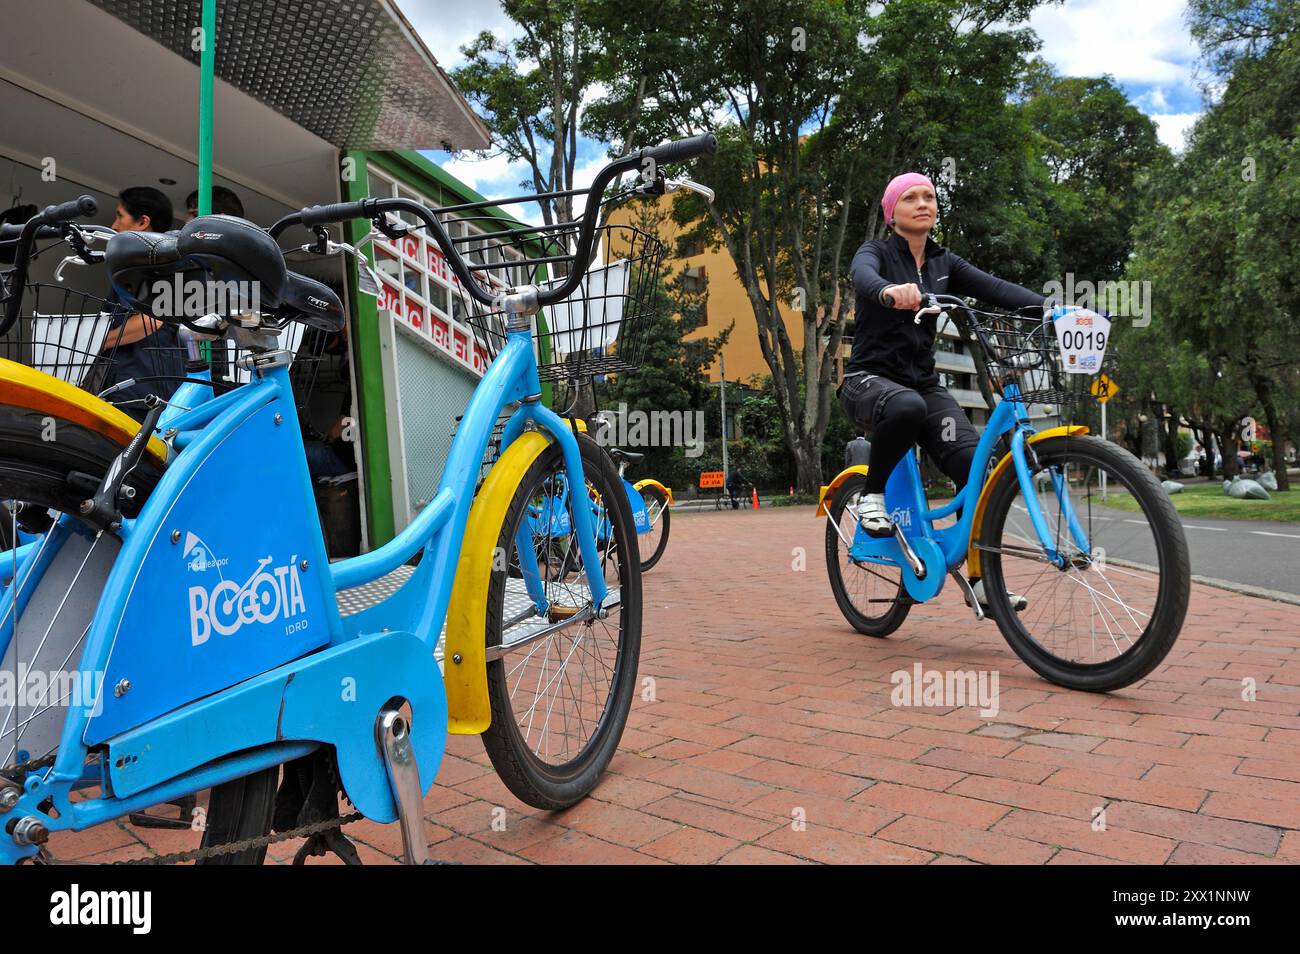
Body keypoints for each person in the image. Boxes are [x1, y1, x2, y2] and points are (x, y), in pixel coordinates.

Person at [841, 172, 1048, 613]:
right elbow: (862, 276)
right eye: (910, 197)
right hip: (868, 379)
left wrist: (1058, 310)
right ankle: (871, 497)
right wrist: (887, 291)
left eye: (929, 197)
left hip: (923, 383)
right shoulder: (875, 251)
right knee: (906, 406)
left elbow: (998, 290)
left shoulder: (944, 263)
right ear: (891, 212)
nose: (922, 203)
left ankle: (982, 583)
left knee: (978, 469)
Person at [97, 187, 184, 419]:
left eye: (120, 216)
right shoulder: (134, 267)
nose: (114, 225)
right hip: (132, 386)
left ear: (143, 222)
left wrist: (97, 341)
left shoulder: (162, 265)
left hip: (142, 391)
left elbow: (152, 319)